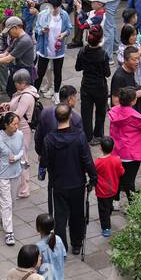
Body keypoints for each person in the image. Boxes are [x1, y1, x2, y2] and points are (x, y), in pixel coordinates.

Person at [40, 103, 98, 258]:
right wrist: (93, 177)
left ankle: (61, 246)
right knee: (77, 214)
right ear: (70, 116)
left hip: (58, 184)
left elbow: (44, 162)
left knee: (59, 217)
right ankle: (77, 244)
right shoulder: (79, 136)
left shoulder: (49, 139)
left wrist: (42, 173)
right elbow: (87, 160)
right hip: (77, 183)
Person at [4, 69, 41, 198]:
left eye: (17, 82)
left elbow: (18, 114)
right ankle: (21, 185)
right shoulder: (24, 92)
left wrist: (5, 115)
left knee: (23, 159)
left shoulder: (26, 96)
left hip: (22, 130)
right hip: (20, 129)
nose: (15, 84)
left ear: (23, 82)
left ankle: (24, 188)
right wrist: (8, 105)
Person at [0, 111, 28, 245]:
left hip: (16, 173)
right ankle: (9, 233)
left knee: (12, 201)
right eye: (14, 124)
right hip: (2, 176)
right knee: (6, 204)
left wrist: (16, 157)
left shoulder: (19, 135)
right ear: (6, 125)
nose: (16, 126)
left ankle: (5, 218)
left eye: (17, 124)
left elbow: (21, 150)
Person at [0, 17, 37, 96]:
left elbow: (8, 59)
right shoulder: (16, 39)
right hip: (16, 69)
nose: (8, 34)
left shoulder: (24, 41)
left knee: (23, 96)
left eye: (9, 31)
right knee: (10, 91)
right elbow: (4, 54)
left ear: (15, 27)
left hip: (24, 72)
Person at [35, 85, 79, 182]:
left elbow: (38, 135)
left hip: (50, 156)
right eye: (75, 97)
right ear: (70, 98)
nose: (76, 100)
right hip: (68, 160)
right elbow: (81, 143)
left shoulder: (45, 112)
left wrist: (40, 152)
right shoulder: (76, 118)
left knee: (53, 182)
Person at [76, 27, 112, 143]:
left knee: (86, 113)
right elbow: (107, 73)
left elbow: (78, 68)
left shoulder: (82, 52)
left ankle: (87, 136)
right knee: (100, 112)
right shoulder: (103, 54)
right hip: (100, 87)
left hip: (86, 85)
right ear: (100, 39)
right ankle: (98, 135)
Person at [33, 0, 73, 96]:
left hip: (58, 49)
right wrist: (42, 30)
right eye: (52, 6)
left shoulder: (64, 15)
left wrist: (64, 34)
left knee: (57, 72)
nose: (54, 9)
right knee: (40, 72)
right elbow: (36, 28)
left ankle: (56, 94)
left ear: (60, 5)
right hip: (44, 48)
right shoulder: (42, 15)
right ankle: (35, 93)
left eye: (56, 7)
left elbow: (69, 28)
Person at [93, 136, 125, 236]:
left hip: (102, 191)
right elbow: (122, 172)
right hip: (113, 189)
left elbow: (94, 174)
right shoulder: (117, 160)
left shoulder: (98, 162)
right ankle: (110, 209)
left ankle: (106, 228)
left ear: (101, 149)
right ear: (113, 148)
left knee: (103, 210)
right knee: (109, 204)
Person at [111, 44, 141, 117]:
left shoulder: (131, 69)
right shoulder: (119, 77)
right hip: (126, 116)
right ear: (125, 60)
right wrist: (135, 95)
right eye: (134, 59)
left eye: (138, 58)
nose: (137, 62)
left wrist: (138, 88)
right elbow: (115, 102)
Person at [36, 212, 67, 280]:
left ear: (38, 228)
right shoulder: (58, 239)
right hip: (57, 279)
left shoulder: (39, 246)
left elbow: (36, 266)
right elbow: (64, 256)